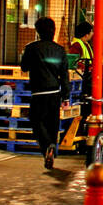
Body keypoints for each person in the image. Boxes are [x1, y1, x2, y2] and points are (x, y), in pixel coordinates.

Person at [20, 16, 68, 170]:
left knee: (36, 121)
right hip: (55, 92)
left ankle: (47, 146)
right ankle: (52, 148)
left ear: (38, 31)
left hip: (38, 93)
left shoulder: (31, 48)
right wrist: (66, 96)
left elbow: (24, 67)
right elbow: (64, 75)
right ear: (54, 32)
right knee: (52, 125)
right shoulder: (60, 50)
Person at [68, 21, 95, 149]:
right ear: (87, 33)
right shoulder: (77, 45)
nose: (93, 34)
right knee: (83, 107)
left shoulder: (85, 45)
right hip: (81, 82)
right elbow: (76, 62)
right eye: (91, 31)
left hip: (87, 79)